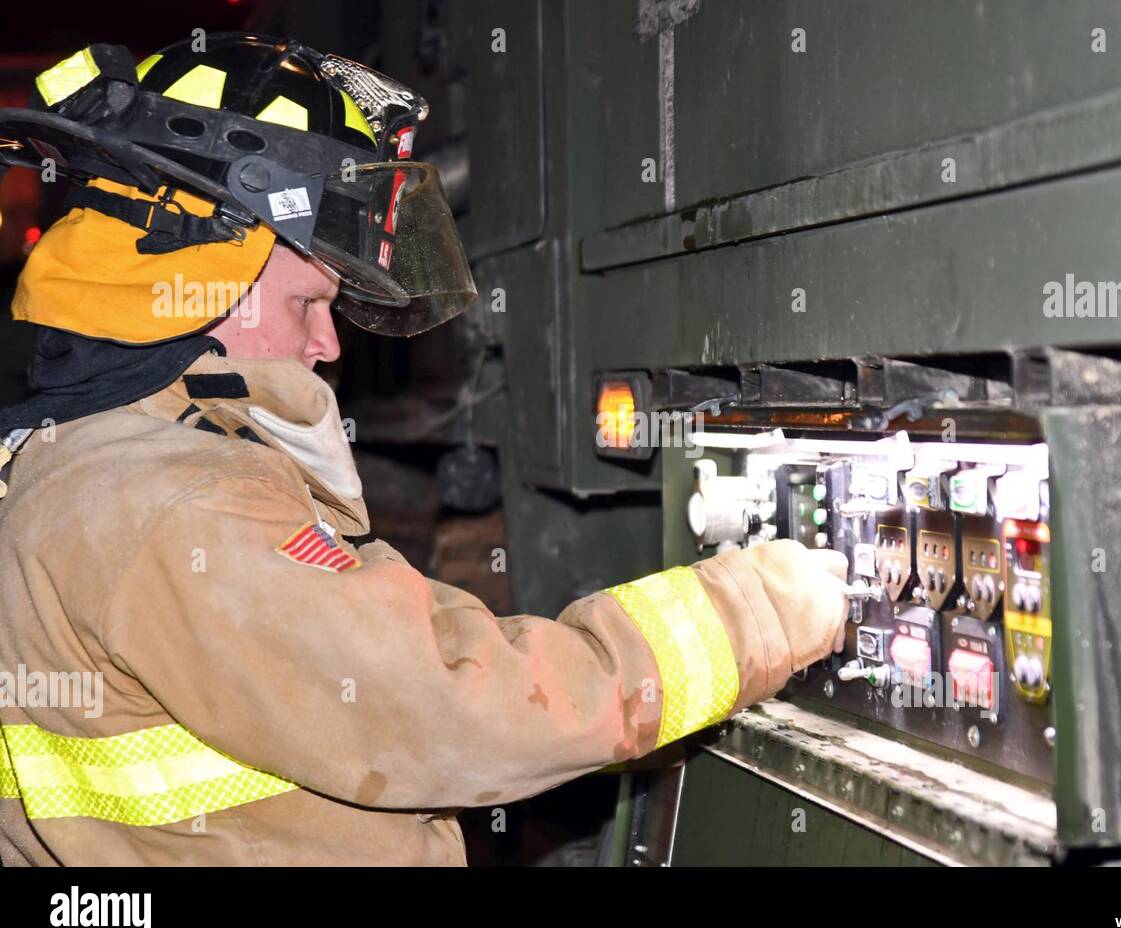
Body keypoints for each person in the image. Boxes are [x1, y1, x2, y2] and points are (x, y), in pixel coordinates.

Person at [0, 34, 847, 865]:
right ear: (205, 273)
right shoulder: (170, 503)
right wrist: (757, 612)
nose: (327, 345)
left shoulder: (72, 459)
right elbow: (457, 706)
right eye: (309, 304)